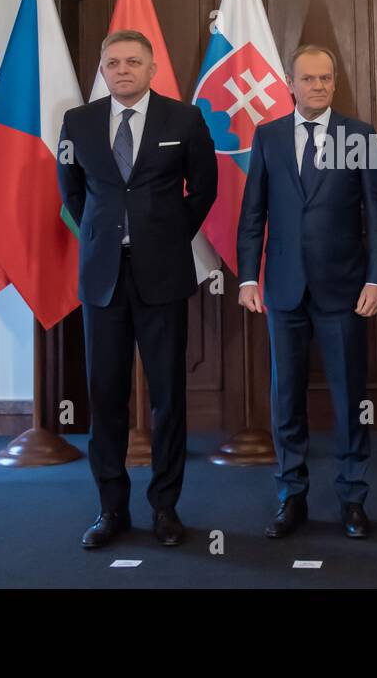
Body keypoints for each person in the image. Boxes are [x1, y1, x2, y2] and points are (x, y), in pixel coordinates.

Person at [57, 29, 218, 549]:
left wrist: (167, 234)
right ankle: (111, 509)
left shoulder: (184, 119)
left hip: (163, 275)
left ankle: (166, 508)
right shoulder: (77, 123)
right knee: (105, 396)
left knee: (168, 396)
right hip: (103, 278)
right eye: (113, 63)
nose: (122, 70)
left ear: (152, 69)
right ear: (102, 71)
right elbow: (73, 194)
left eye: (133, 62)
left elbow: (206, 187)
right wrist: (108, 237)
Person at [236, 44, 377, 540]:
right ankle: (290, 497)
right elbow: (253, 214)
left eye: (326, 79)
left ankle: (352, 499)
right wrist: (246, 277)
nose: (318, 86)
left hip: (344, 289)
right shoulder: (269, 137)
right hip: (282, 290)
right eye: (308, 79)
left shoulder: (360, 136)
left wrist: (376, 277)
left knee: (349, 397)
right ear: (290, 83)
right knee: (286, 398)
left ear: (334, 83)